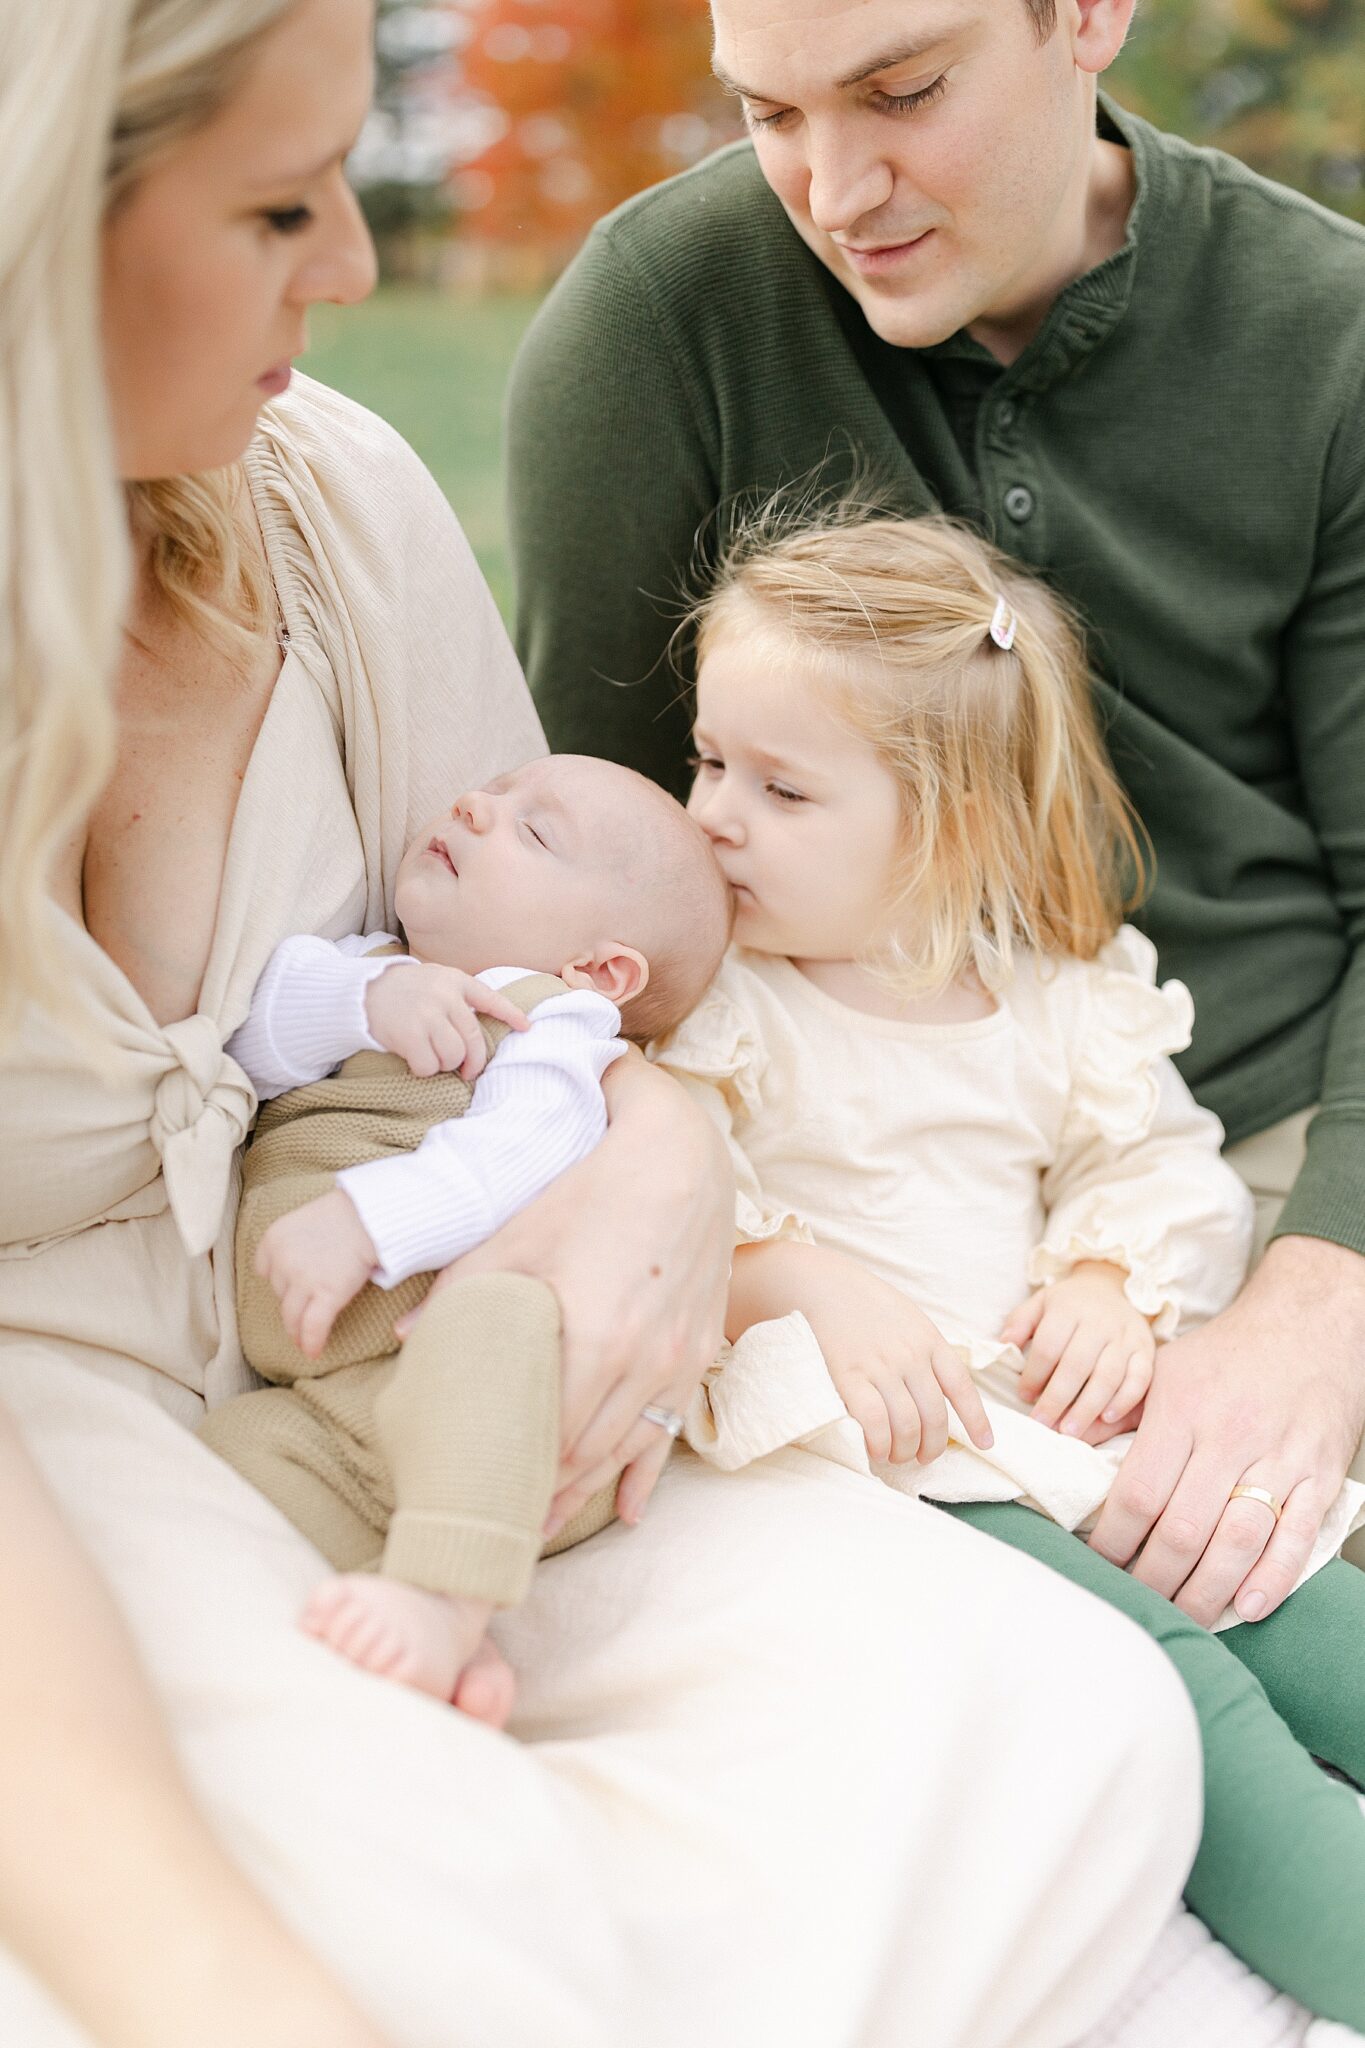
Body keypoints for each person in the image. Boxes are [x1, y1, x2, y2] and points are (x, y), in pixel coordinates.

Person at [0, 2, 1204, 2046]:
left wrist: (660, 1180)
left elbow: (592, 962)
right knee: (431, 1915)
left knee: (1055, 1715)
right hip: (70, 1467)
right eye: (281, 204)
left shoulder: (333, 499)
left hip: (459, 1348)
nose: (362, 268)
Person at [508, 0, 1365, 1623]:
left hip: (1267, 1130)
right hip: (846, 1165)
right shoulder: (655, 323)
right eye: (769, 113)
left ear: (1091, 17)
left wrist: (1317, 1308)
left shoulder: (1330, 332)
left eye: (903, 91)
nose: (836, 190)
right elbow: (598, 888)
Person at [643, 507, 1365, 2022]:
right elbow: (660, 1222)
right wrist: (804, 1283)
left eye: (780, 788)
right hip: (908, 1468)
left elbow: (1153, 1162)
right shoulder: (718, 1016)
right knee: (1186, 1688)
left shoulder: (1054, 1001)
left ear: (948, 829)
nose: (711, 815)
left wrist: (1108, 1281)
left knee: (1297, 1594)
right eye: (708, 762)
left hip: (1065, 1429)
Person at [202, 755, 729, 1717]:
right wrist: (369, 1000)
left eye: (534, 831)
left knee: (498, 1311)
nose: (474, 806)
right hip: (348, 1404)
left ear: (598, 969)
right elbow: (243, 1034)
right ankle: (456, 1630)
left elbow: (521, 1149)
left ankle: (439, 1602)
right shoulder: (363, 963)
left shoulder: (552, 1026)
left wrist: (372, 1220)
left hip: (503, 1402)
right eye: (492, 791)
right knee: (234, 1452)